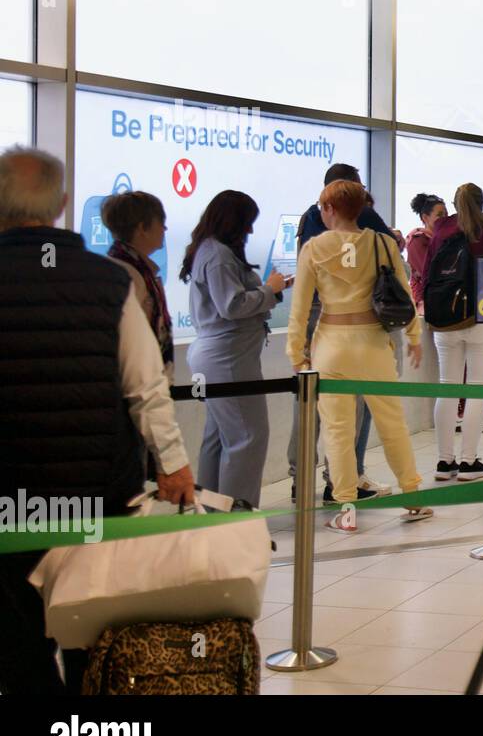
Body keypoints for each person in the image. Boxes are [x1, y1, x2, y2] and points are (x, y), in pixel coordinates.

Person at [0, 147, 195, 695]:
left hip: (9, 495)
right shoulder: (107, 282)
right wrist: (174, 465)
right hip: (96, 492)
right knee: (91, 627)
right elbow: (145, 386)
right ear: (63, 204)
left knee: (17, 636)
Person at [287, 180, 431, 531]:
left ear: (331, 209)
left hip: (330, 346)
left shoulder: (314, 248)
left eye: (323, 207)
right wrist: (413, 337)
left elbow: (300, 309)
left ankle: (347, 509)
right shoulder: (382, 243)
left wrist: (296, 354)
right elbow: (403, 293)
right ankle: (412, 495)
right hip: (373, 345)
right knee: (392, 422)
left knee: (337, 431)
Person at [291, 163, 405, 501]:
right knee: (358, 403)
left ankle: (301, 478)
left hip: (316, 318)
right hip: (350, 322)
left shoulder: (308, 217)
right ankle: (345, 477)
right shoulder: (362, 216)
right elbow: (387, 253)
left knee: (311, 401)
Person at [181, 190, 282, 506]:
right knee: (247, 439)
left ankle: (213, 513)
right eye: (247, 223)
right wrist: (270, 290)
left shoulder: (209, 250)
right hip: (227, 359)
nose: (250, 231)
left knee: (218, 439)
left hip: (220, 357)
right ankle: (237, 520)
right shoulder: (219, 255)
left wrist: (270, 291)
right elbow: (232, 305)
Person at [427, 183, 483, 482]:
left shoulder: (442, 229)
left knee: (447, 386)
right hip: (478, 319)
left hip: (444, 319)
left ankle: (445, 462)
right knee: (477, 388)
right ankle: (469, 462)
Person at [101, 190, 174, 376]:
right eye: (161, 223)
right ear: (142, 228)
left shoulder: (135, 269)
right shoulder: (127, 273)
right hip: (137, 382)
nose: (164, 230)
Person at [405, 192, 446, 314]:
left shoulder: (443, 238)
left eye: (446, 214)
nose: (444, 218)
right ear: (425, 218)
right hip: (424, 302)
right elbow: (427, 273)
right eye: (439, 215)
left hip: (441, 298)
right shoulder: (418, 239)